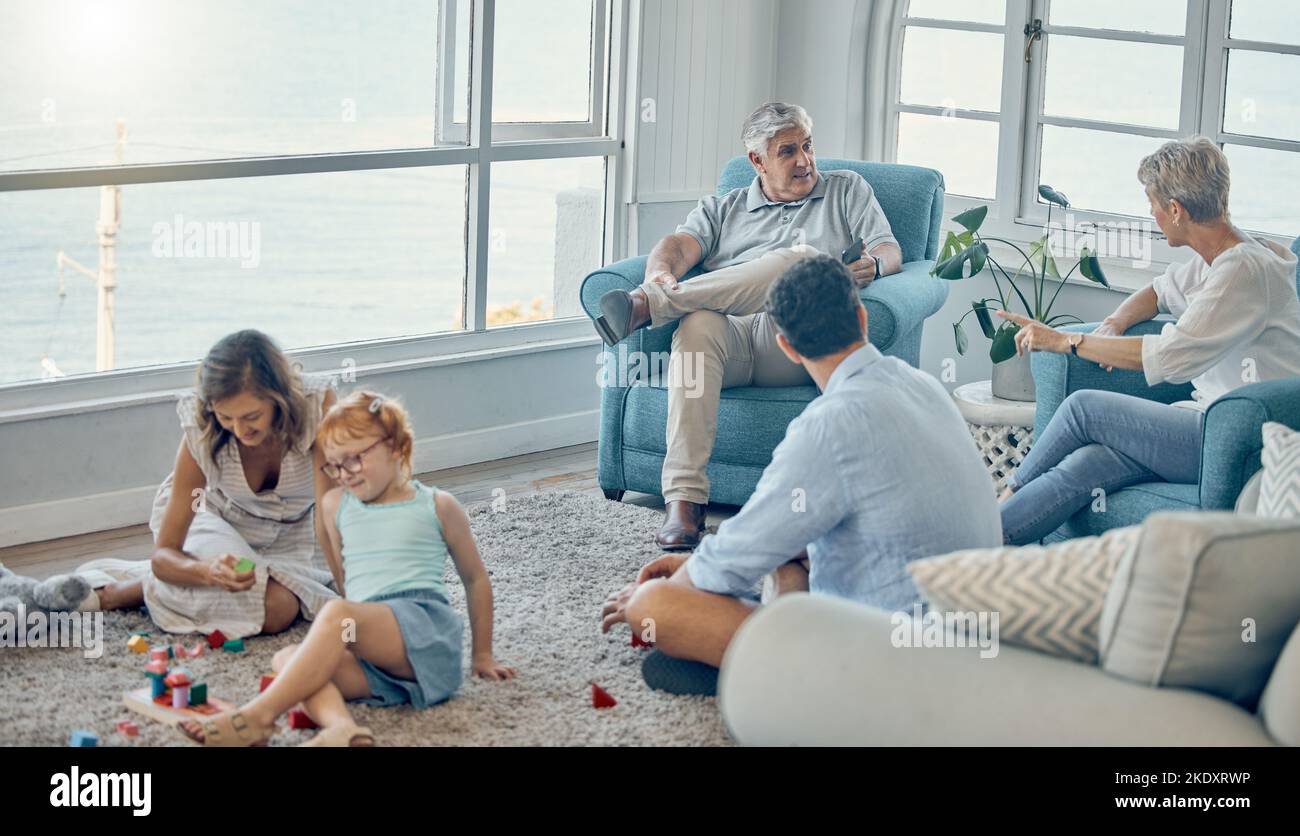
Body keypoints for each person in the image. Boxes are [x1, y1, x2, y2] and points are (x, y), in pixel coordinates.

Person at [599, 255, 1002, 694]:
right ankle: (750, 654)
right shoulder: (920, 384)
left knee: (656, 605)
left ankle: (766, 675)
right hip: (967, 636)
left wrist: (677, 590)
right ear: (861, 317)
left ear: (787, 346)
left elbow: (738, 558)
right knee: (789, 559)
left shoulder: (829, 425)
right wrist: (701, 566)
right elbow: (765, 539)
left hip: (890, 663)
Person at [594, 101, 903, 549]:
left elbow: (889, 249)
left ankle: (650, 306)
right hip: (735, 339)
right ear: (756, 161)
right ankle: (684, 503)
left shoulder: (846, 190)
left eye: (808, 146)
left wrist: (874, 264)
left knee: (798, 261)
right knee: (697, 325)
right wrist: (657, 274)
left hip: (798, 341)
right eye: (787, 152)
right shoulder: (726, 207)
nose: (805, 160)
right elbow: (677, 246)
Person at [997, 136, 1300, 545]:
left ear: (1175, 210)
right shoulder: (1222, 255)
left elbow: (1171, 357)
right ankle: (976, 544)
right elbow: (1158, 292)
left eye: (1153, 203)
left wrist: (1065, 341)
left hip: (1241, 441)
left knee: (1084, 408)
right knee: (1087, 466)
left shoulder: (1244, 270)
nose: (1152, 214)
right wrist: (1113, 323)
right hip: (1207, 422)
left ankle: (1007, 490)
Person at [179, 390, 515, 746]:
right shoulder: (335, 504)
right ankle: (342, 728)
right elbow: (346, 577)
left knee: (339, 614)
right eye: (336, 465)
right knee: (288, 658)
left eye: (355, 459)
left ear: (398, 447)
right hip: (373, 655)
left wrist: (482, 654)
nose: (345, 474)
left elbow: (475, 579)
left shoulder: (438, 505)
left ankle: (258, 716)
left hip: (424, 633)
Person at [81, 330, 341, 637]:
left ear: (279, 399)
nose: (239, 429)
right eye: (226, 418)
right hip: (213, 517)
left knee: (280, 608)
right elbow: (165, 554)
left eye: (251, 416)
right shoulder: (202, 432)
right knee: (269, 608)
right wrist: (206, 572)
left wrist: (352, 595)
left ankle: (141, 587)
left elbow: (329, 513)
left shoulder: (316, 407)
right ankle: (124, 592)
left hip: (289, 534)